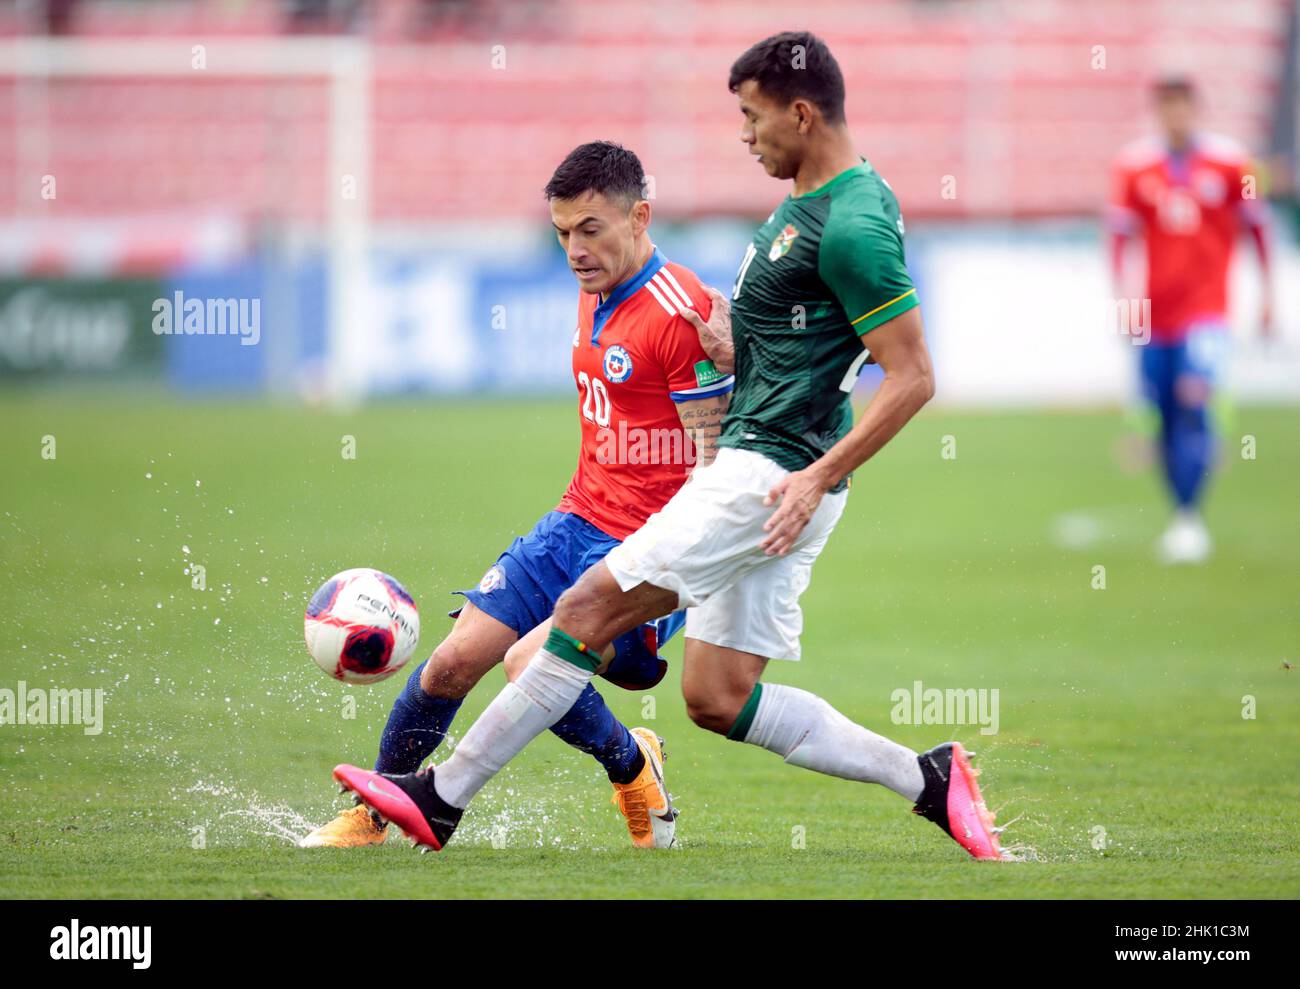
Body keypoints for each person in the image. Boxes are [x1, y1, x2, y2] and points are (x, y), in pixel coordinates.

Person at [336, 31, 1007, 861]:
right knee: (718, 697)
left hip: (768, 473)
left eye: (753, 117)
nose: (744, 134)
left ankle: (441, 797)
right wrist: (741, 350)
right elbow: (822, 350)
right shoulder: (812, 203)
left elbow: (913, 376)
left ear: (801, 114)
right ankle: (928, 779)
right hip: (777, 475)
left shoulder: (853, 222)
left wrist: (815, 475)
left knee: (578, 616)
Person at [304, 141, 732, 850]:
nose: (575, 250)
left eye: (590, 229)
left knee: (528, 662)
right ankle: (373, 814)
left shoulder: (679, 311)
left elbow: (714, 471)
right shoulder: (595, 285)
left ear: (640, 217)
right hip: (572, 522)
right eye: (562, 232)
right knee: (450, 663)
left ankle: (632, 765)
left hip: (642, 550)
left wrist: (666, 572)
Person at [1108, 76, 1273, 563]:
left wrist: (1268, 294)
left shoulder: (1233, 163)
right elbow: (1119, 240)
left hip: (1207, 310)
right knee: (1161, 412)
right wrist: (1125, 302)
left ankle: (1189, 516)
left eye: (1181, 106)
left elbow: (1258, 228)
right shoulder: (1133, 167)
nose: (1175, 115)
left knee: (1193, 397)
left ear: (1195, 109)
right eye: (1167, 107)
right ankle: (1181, 511)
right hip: (1154, 312)